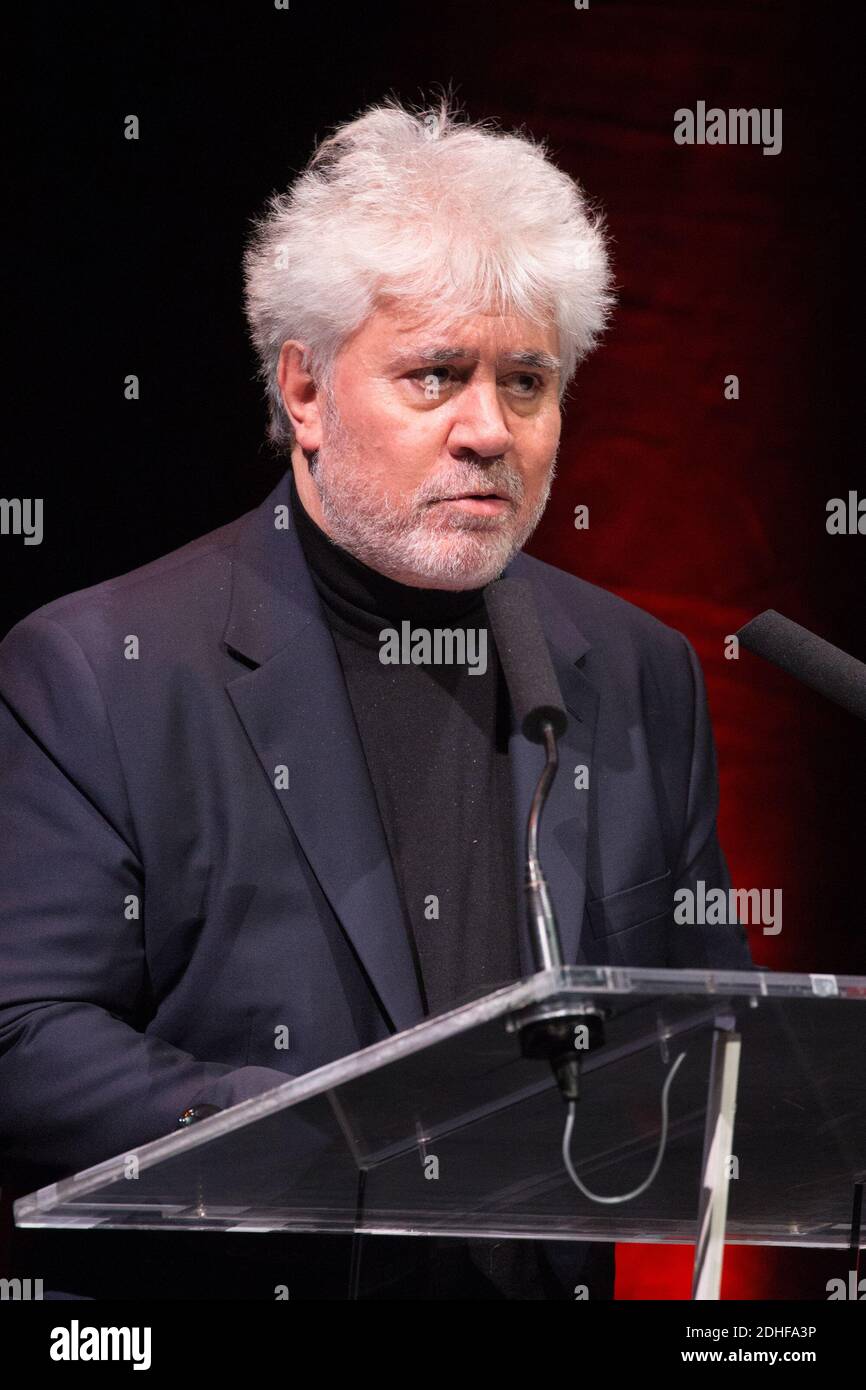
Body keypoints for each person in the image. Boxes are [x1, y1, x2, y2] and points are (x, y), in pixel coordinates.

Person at [0, 96, 753, 1300]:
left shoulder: (635, 670)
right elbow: (24, 1038)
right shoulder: (105, 666)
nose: (487, 432)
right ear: (303, 391)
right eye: (436, 375)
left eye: (525, 381)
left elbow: (723, 1056)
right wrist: (320, 1133)